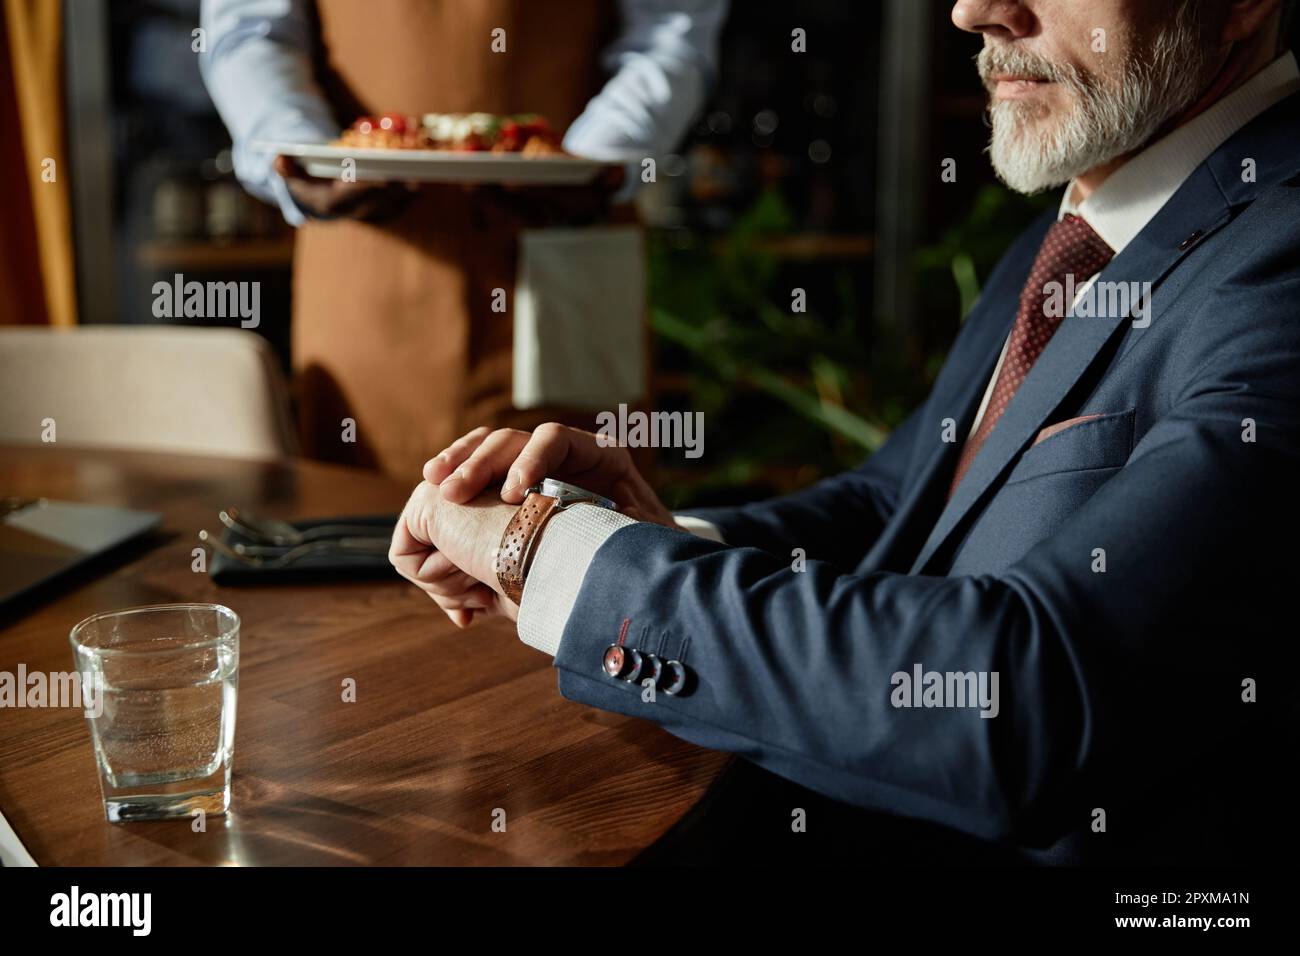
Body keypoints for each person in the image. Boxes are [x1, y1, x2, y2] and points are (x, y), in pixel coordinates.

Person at [390, 0, 1300, 864]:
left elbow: (1028, 692)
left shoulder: (1278, 257)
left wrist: (561, 562)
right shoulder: (1073, 235)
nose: (973, 11)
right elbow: (893, 506)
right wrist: (650, 539)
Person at [200, 0, 726, 477]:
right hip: (366, 259)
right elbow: (250, 32)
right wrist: (304, 155)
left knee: (581, 529)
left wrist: (592, 160)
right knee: (357, 529)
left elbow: (670, 31)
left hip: (569, 254)